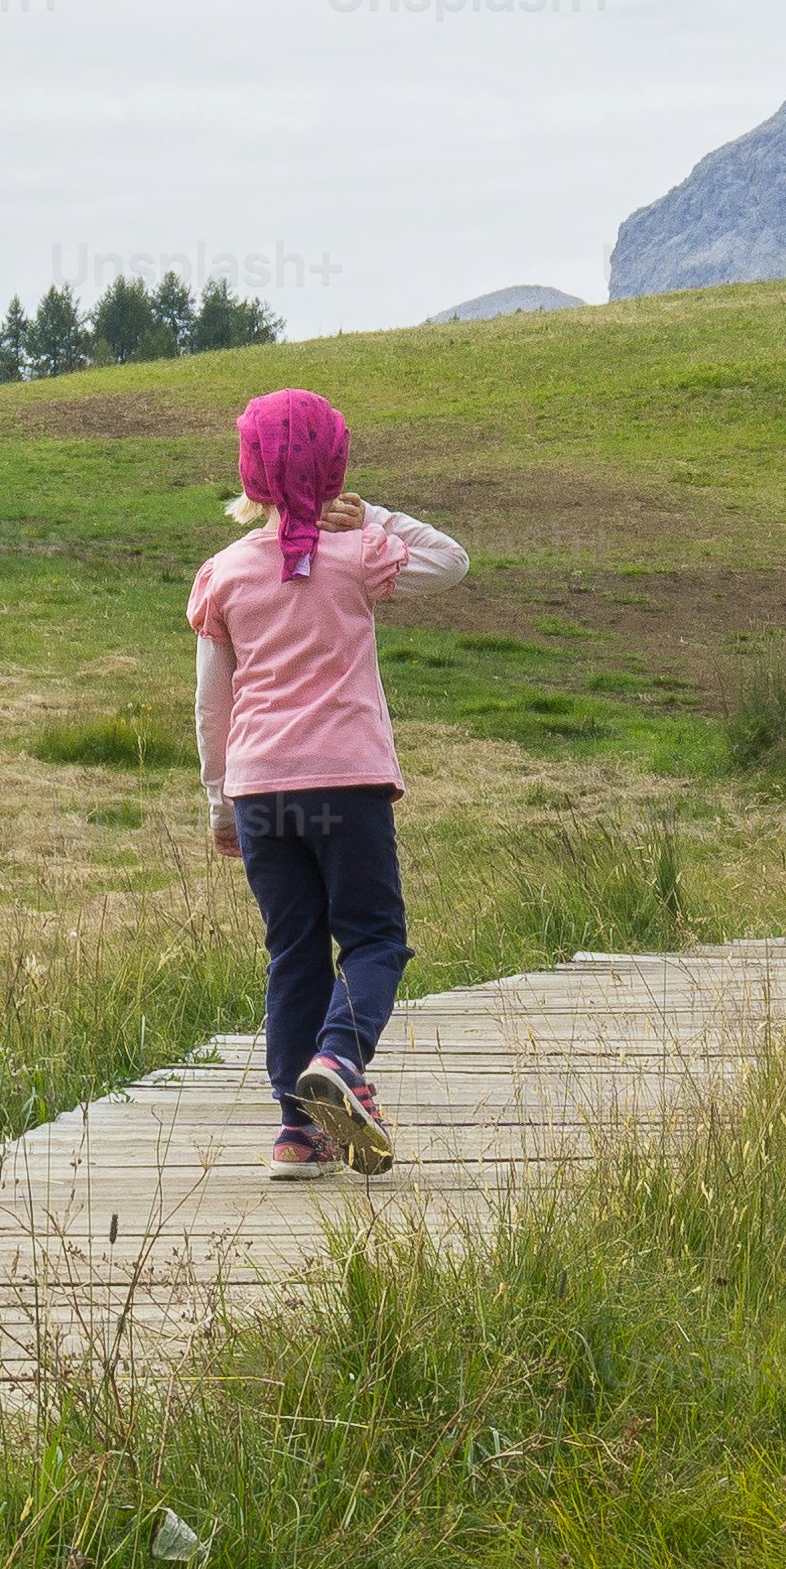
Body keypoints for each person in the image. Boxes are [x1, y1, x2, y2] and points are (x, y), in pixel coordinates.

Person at [189, 389, 463, 1178]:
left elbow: (214, 702)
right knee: (375, 938)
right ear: (337, 465)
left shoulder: (225, 574)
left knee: (294, 952)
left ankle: (296, 1133)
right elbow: (452, 560)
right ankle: (341, 1063)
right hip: (349, 784)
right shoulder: (361, 553)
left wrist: (219, 802)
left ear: (249, 476)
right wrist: (368, 514)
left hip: (260, 790)